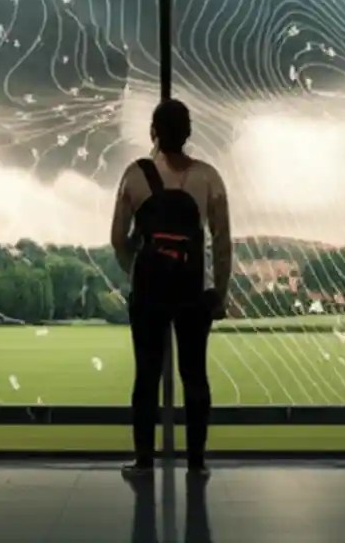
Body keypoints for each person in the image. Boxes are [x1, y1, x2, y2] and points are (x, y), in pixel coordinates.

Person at [111, 98, 232, 478]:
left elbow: (117, 238)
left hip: (148, 293)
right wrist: (220, 292)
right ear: (188, 134)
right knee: (195, 374)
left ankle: (144, 459)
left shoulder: (134, 175)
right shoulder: (209, 177)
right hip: (194, 291)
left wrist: (139, 271)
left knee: (145, 375)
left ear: (154, 133)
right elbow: (223, 241)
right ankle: (196, 461)